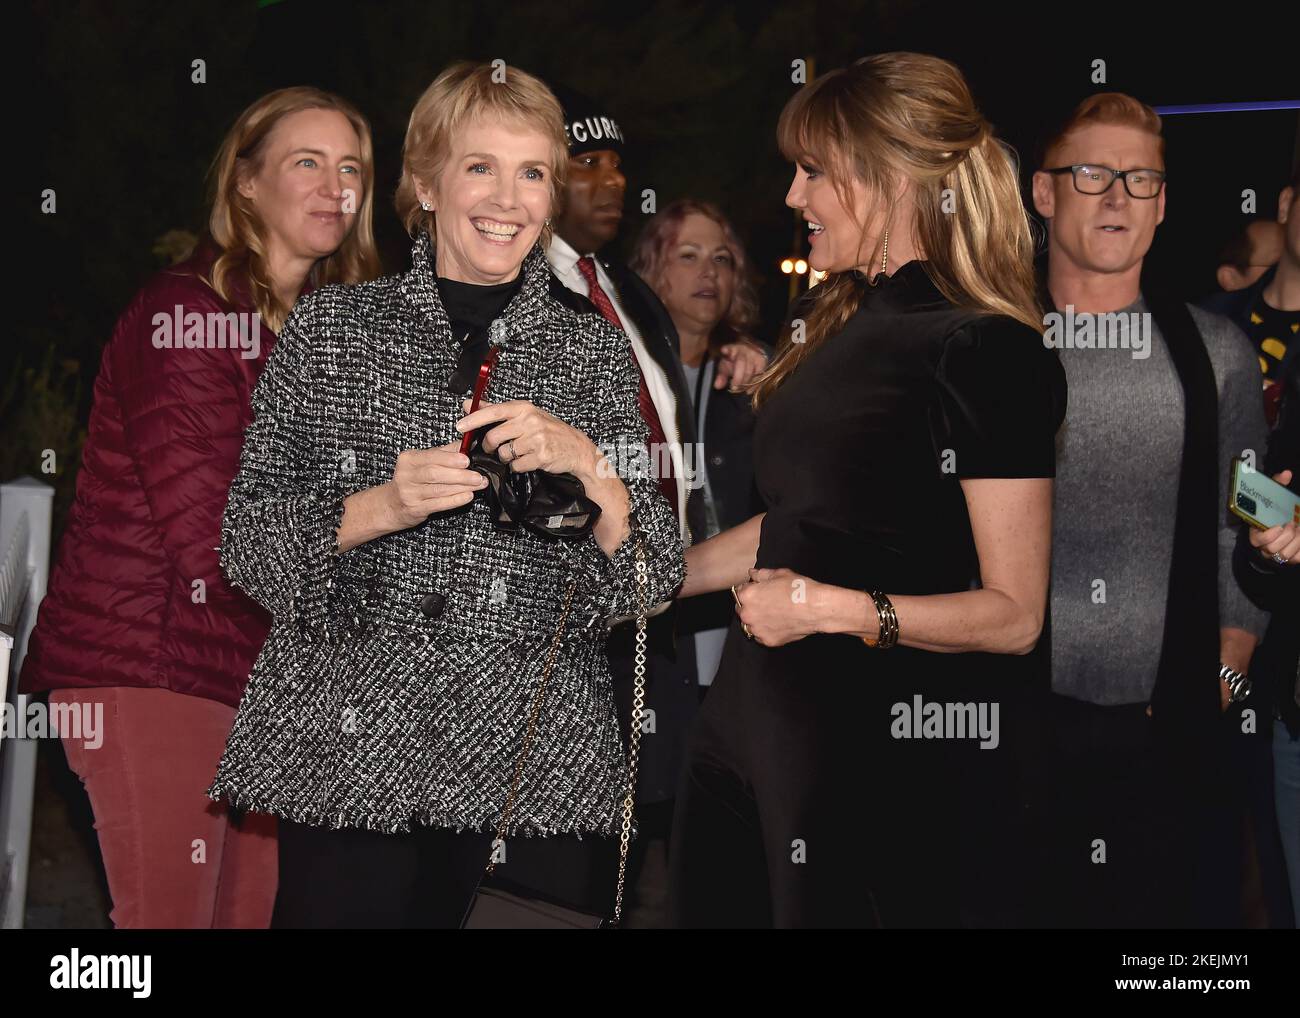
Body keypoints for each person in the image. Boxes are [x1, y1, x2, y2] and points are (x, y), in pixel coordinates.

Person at [205, 62, 684, 929]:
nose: (508, 198)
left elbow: (654, 578)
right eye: (480, 167)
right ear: (425, 183)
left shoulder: (592, 353)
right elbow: (247, 543)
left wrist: (593, 467)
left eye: (533, 172)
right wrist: (381, 506)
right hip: (352, 754)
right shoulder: (332, 331)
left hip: (531, 765)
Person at [670, 53, 1066, 928]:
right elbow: (802, 522)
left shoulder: (985, 350)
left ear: (889, 176)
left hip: (871, 759)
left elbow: (1014, 614)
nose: (792, 197)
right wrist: (654, 578)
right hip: (744, 733)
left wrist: (826, 609)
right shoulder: (840, 327)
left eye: (814, 171)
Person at [19, 86, 381, 928]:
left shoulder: (316, 335)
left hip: (251, 677)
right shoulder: (186, 317)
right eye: (307, 162)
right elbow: (215, 545)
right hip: (154, 663)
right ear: (246, 184)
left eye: (352, 168)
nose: (336, 186)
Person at [1030, 92, 1269, 927]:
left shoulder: (1217, 353)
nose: (1117, 197)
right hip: (1014, 729)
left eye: (1140, 180)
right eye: (1091, 173)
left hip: (1173, 733)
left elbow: (1248, 520)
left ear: (1164, 205)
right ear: (1043, 192)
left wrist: (1229, 666)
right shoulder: (988, 342)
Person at [544, 91, 767, 923]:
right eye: (688, 256)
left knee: (711, 841)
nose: (709, 275)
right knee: (612, 852)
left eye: (723, 258)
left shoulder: (751, 377)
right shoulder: (573, 314)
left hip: (721, 628)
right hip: (621, 630)